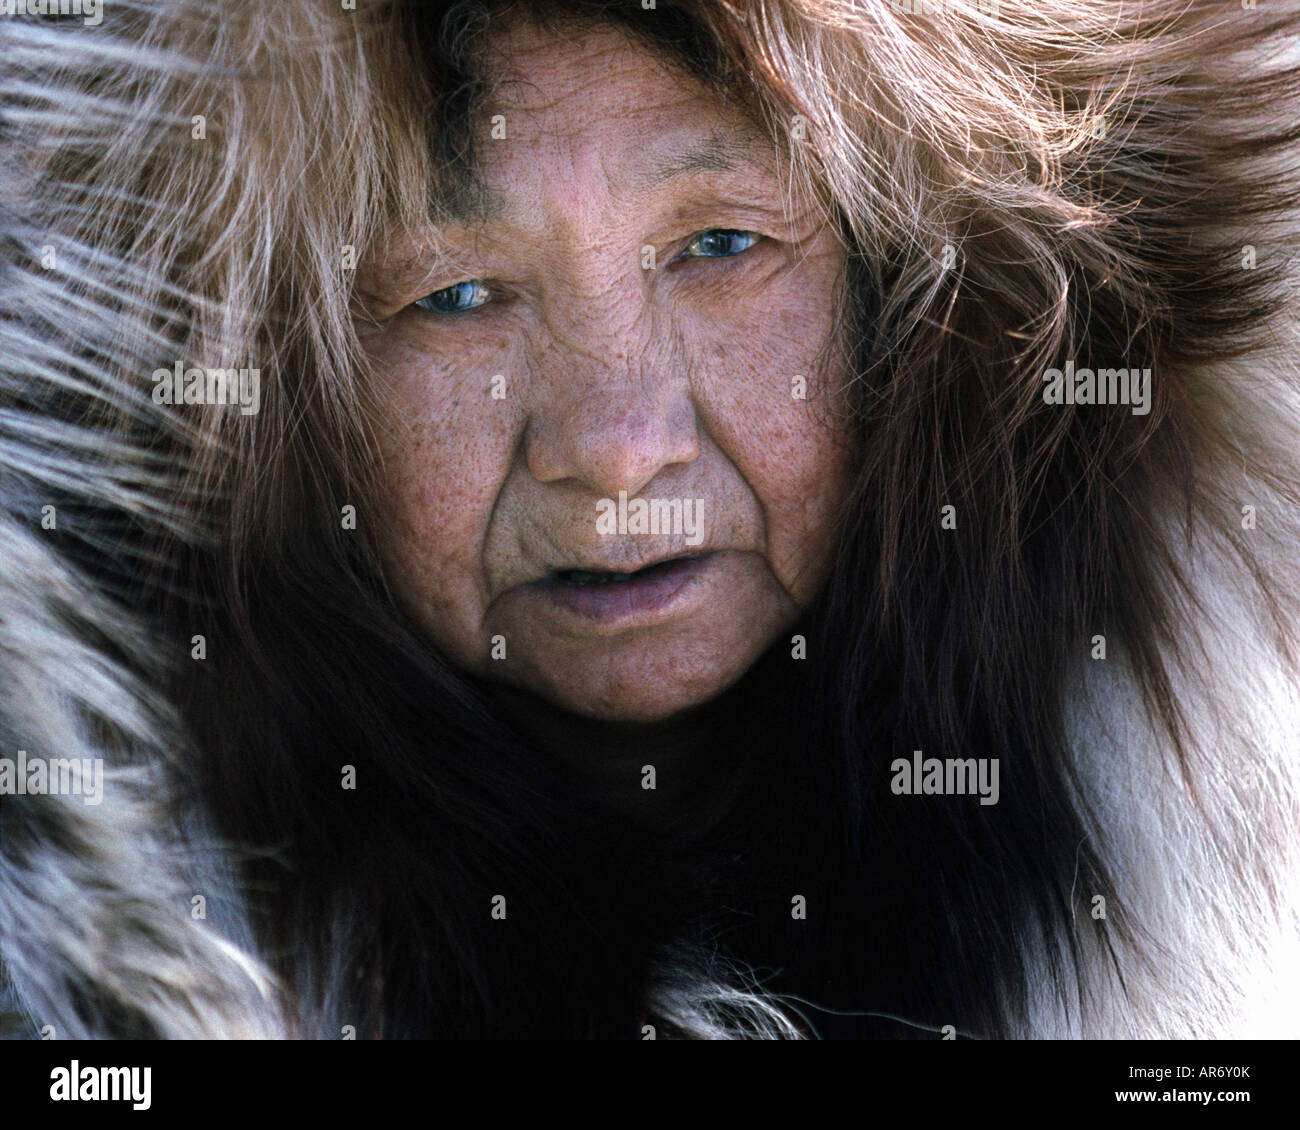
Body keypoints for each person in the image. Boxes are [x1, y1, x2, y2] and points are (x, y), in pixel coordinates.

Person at [2, 0, 1299, 1039]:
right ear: (286, 397)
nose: (618, 449)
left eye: (720, 246)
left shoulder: (1225, 920)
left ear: (915, 309)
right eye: (455, 294)